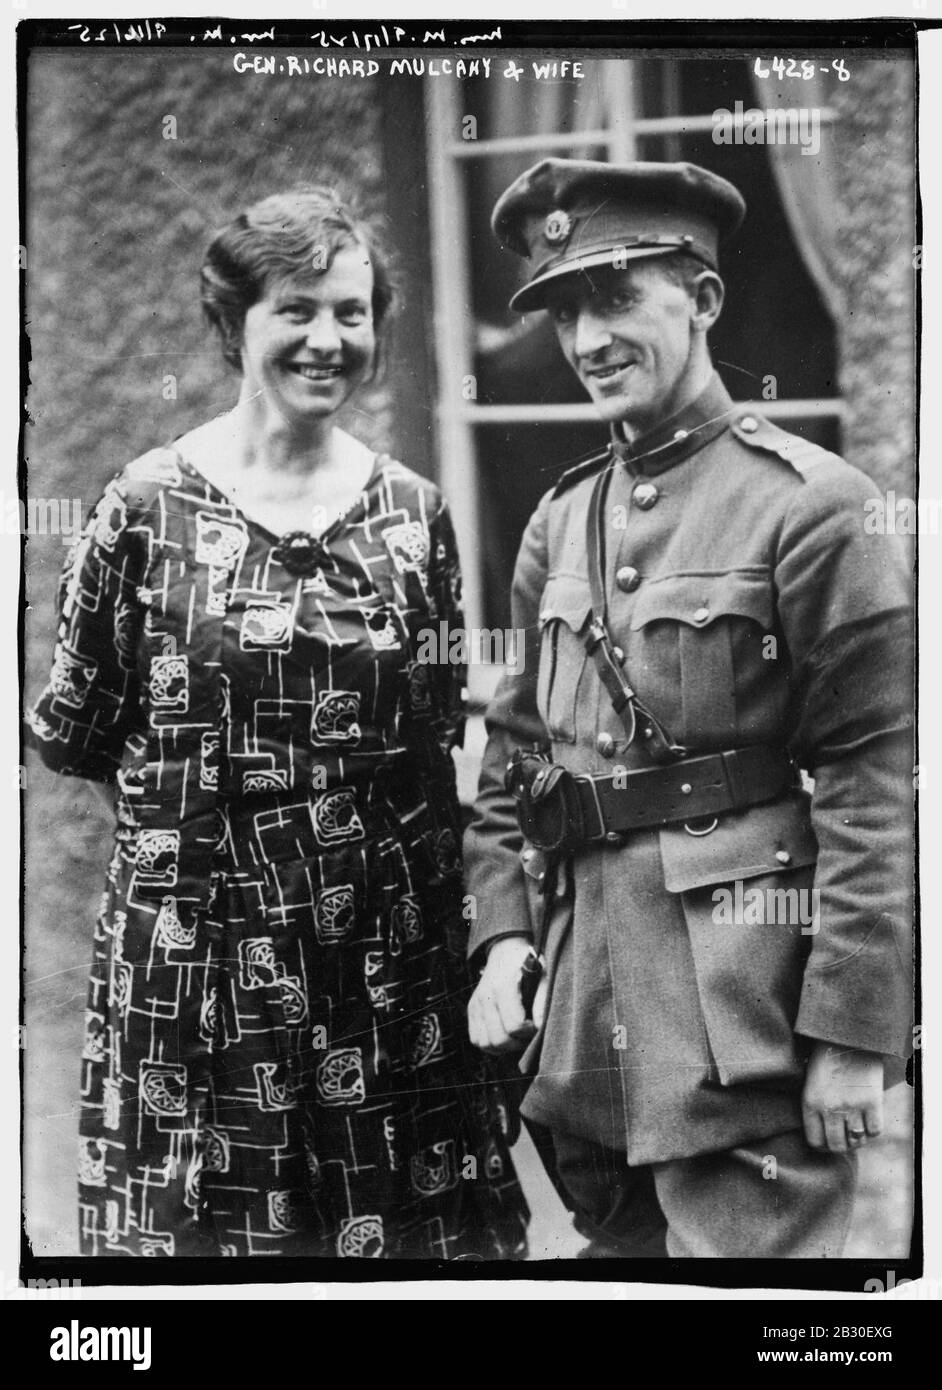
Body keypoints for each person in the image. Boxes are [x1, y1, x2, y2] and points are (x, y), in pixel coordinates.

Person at [27, 185, 528, 1260]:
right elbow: (78, 728)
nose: (327, 339)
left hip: (384, 956)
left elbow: (436, 732)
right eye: (296, 309)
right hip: (196, 950)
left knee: (400, 1239)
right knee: (210, 1243)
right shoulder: (142, 507)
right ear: (235, 323)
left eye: (352, 313)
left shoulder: (414, 516)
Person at [464, 158, 914, 1259]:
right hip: (583, 1034)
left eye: (616, 297)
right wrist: (501, 936)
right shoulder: (558, 523)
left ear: (704, 300)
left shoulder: (815, 509)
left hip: (741, 1035)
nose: (587, 339)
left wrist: (855, 1032)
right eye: (565, 310)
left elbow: (878, 779)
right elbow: (514, 759)